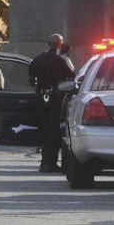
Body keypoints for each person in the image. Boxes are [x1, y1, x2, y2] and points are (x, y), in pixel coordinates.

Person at [28, 33, 74, 173]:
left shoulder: (37, 60)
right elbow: (73, 77)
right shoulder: (62, 60)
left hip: (41, 98)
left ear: (48, 44)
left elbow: (31, 80)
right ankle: (51, 163)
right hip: (56, 98)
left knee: (44, 131)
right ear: (60, 45)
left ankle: (44, 163)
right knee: (54, 132)